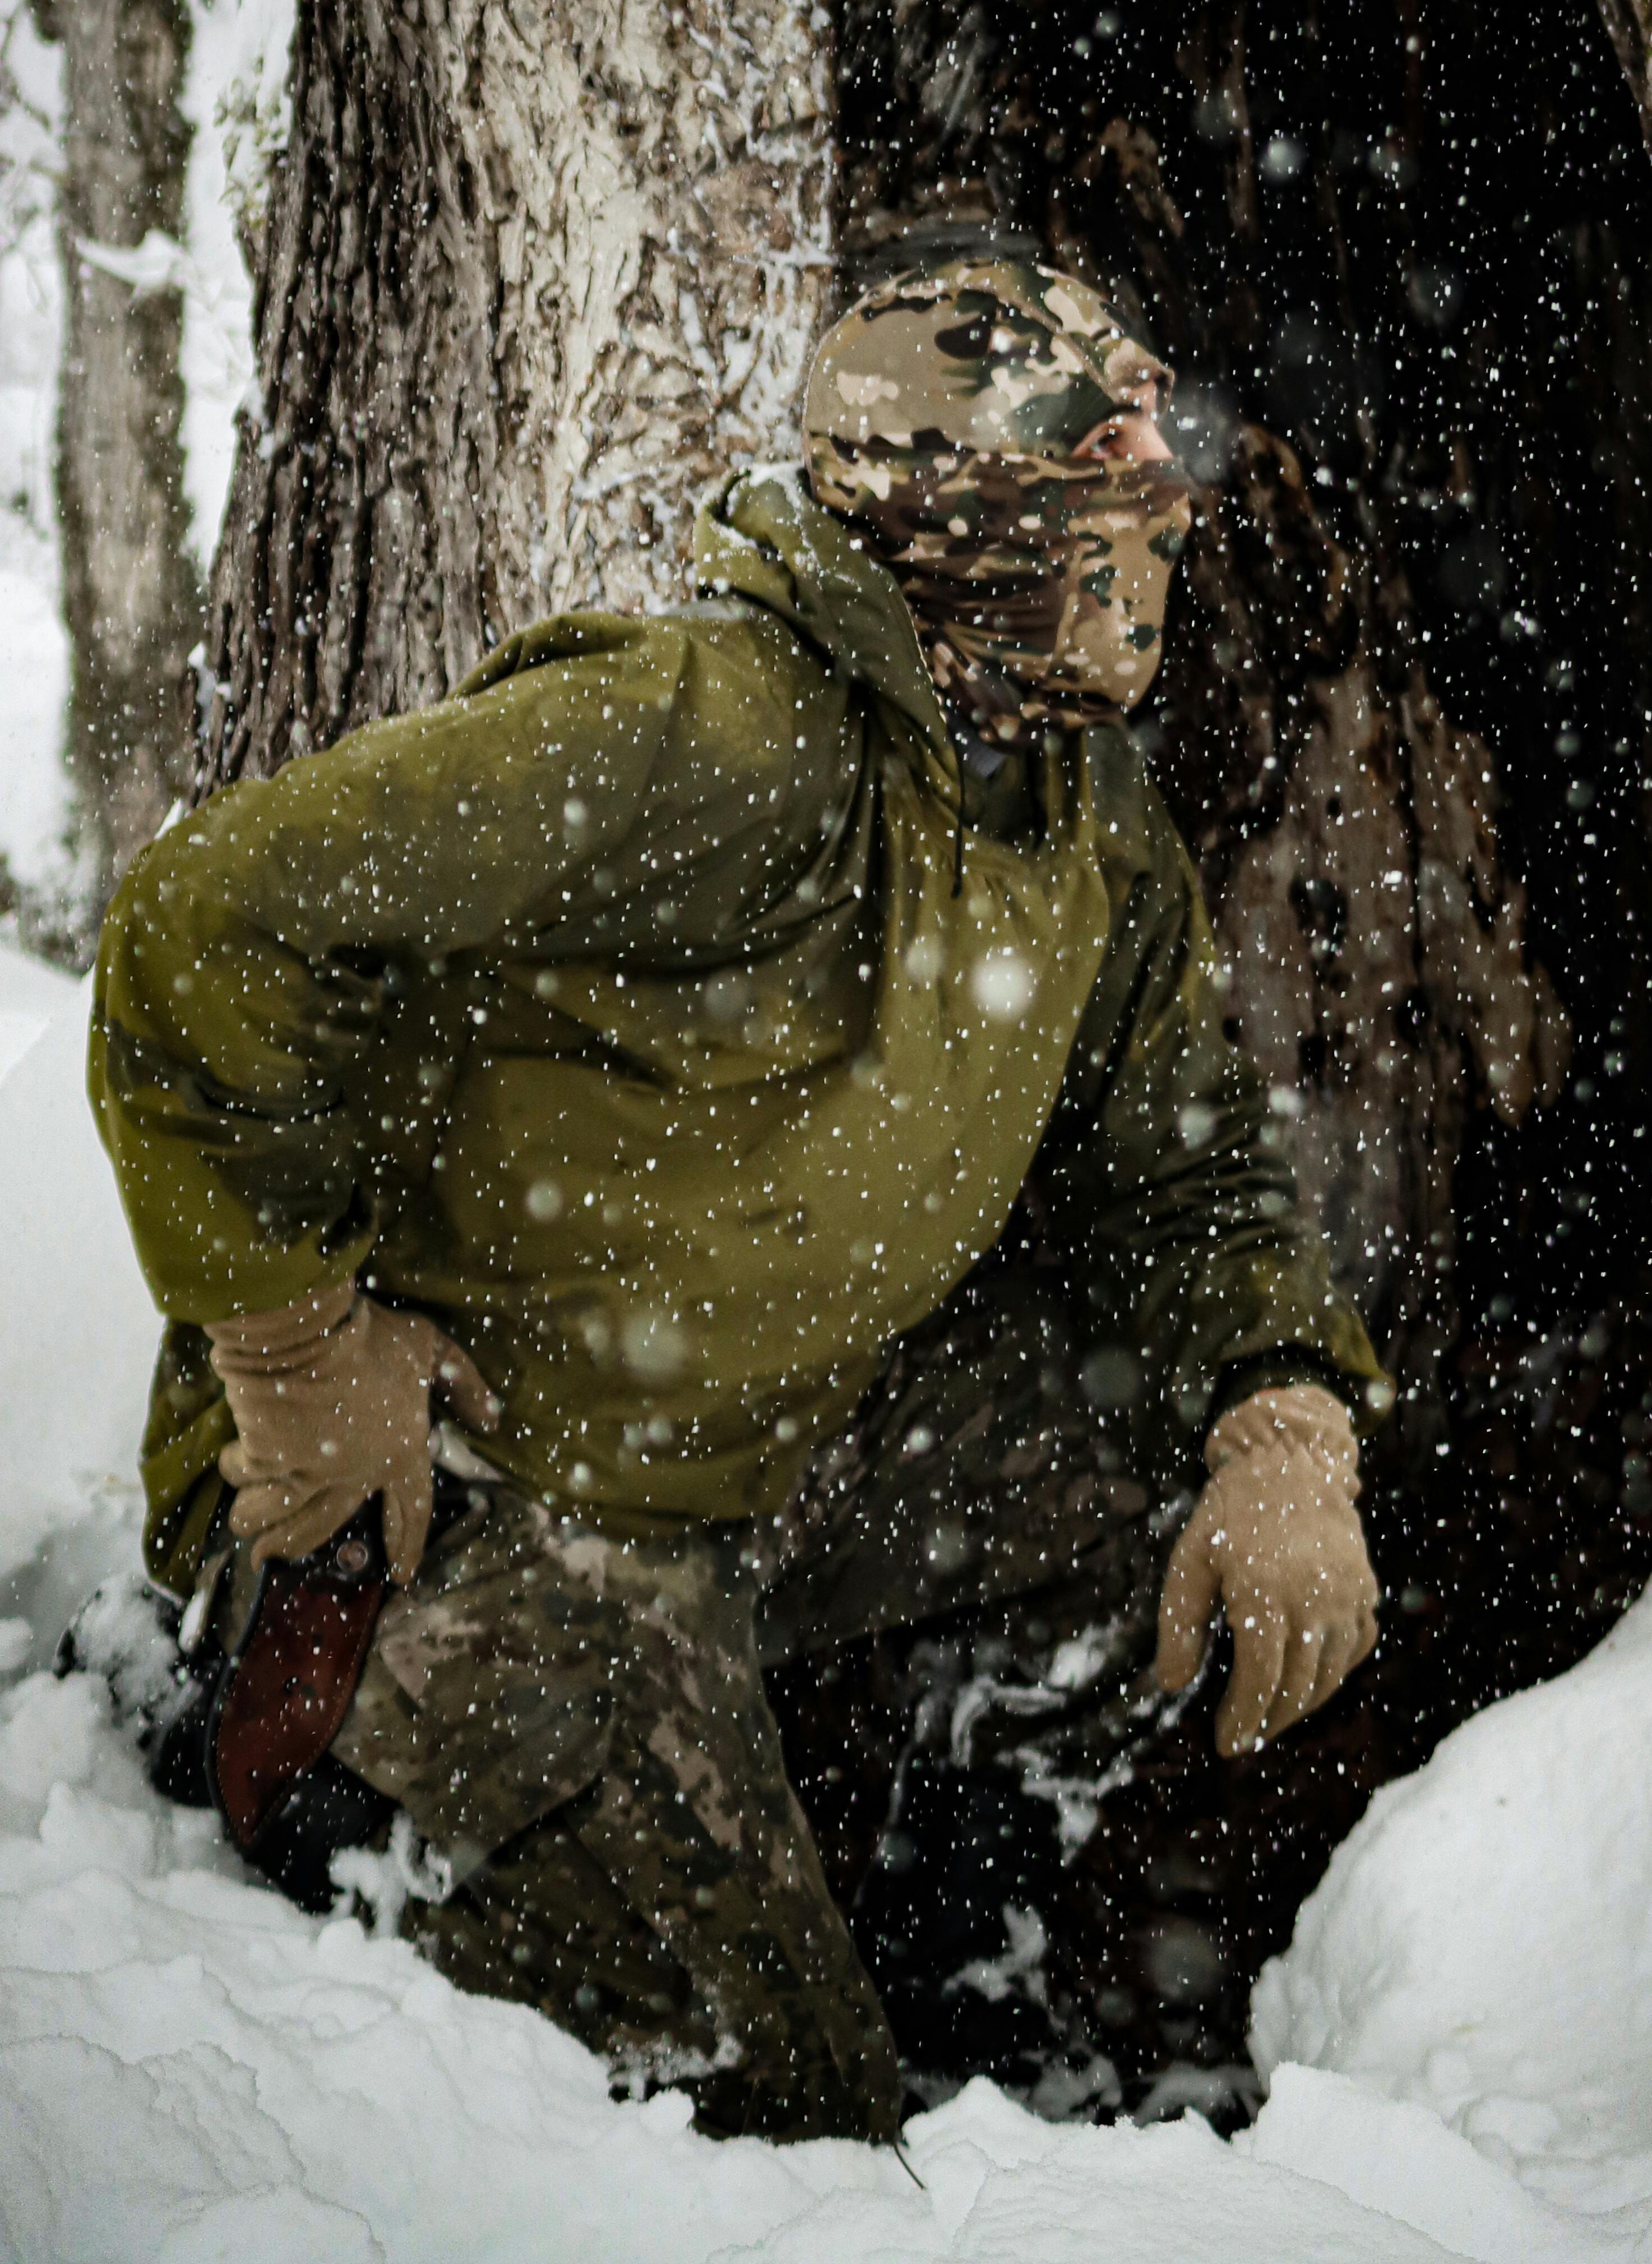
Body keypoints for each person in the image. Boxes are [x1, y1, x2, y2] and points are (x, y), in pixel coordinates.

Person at [90, 254, 1387, 2138]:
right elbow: (208, 920)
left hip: (730, 1483)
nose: (1171, 517)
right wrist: (292, 1350)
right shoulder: (709, 730)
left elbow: (1174, 1170)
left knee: (1134, 1489)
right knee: (794, 2166)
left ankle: (943, 1964)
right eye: (1109, 486)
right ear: (959, 531)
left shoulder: (1081, 813)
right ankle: (310, 1757)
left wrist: (1283, 1420)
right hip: (453, 1511)